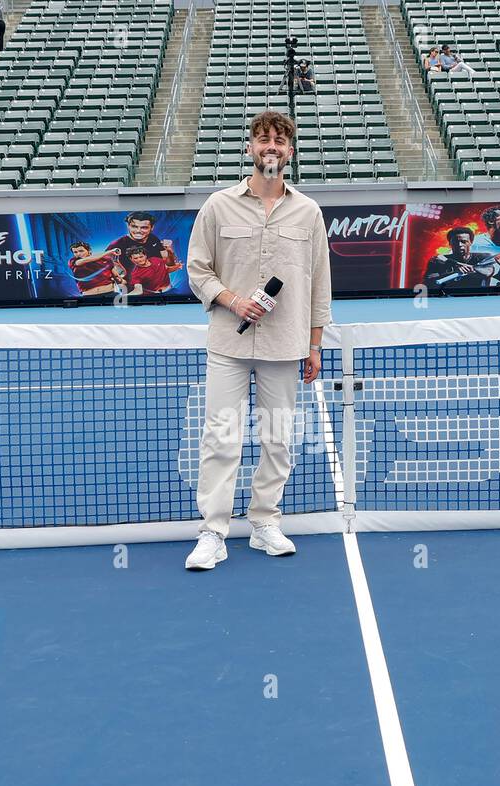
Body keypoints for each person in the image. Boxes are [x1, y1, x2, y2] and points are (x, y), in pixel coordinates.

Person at [184, 110, 332, 570]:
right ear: (250, 148)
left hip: (286, 345)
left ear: (290, 151)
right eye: (263, 139)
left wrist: (314, 344)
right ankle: (213, 531)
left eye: (280, 141)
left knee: (278, 438)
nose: (272, 147)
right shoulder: (217, 205)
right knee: (221, 437)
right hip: (228, 342)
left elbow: (318, 283)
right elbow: (197, 270)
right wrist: (231, 299)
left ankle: (265, 521)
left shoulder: (308, 211)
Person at [423, 227, 499, 290]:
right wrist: (453, 270)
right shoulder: (438, 261)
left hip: (478, 298)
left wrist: (456, 264)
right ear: (450, 243)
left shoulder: (483, 257)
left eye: (464, 241)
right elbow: (429, 283)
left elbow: (488, 272)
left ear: (470, 242)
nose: (459, 245)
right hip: (449, 299)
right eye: (455, 241)